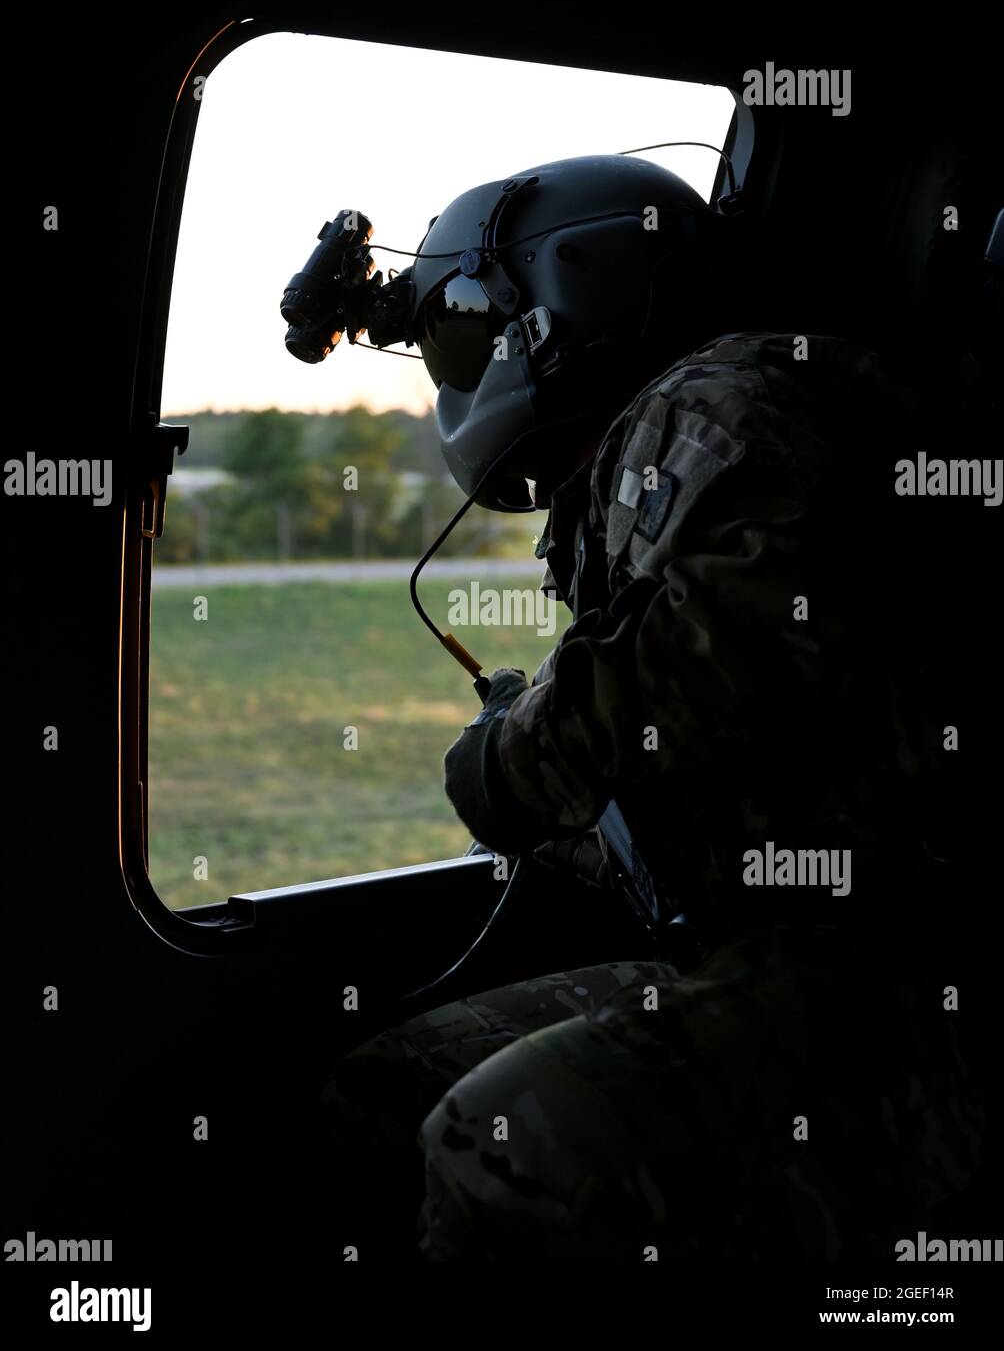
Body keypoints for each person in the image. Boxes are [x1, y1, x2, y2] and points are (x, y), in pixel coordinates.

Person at [323, 154, 985, 1260]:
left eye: (472, 331)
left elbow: (719, 639)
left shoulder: (719, 395)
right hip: (781, 948)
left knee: (495, 1148)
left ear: (566, 299)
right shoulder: (660, 444)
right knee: (380, 1088)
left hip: (903, 972)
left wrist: (509, 759)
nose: (460, 368)